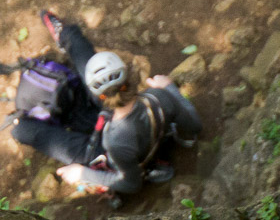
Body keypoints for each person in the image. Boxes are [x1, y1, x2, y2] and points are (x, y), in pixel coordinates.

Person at [15, 12, 201, 196]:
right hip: (123, 129)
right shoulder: (159, 97)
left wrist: (83, 173)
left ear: (100, 97)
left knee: (20, 130)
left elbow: (130, 183)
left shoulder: (116, 142)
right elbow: (194, 126)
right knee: (21, 129)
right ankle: (67, 35)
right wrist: (170, 88)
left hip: (103, 149)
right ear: (128, 77)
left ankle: (67, 35)